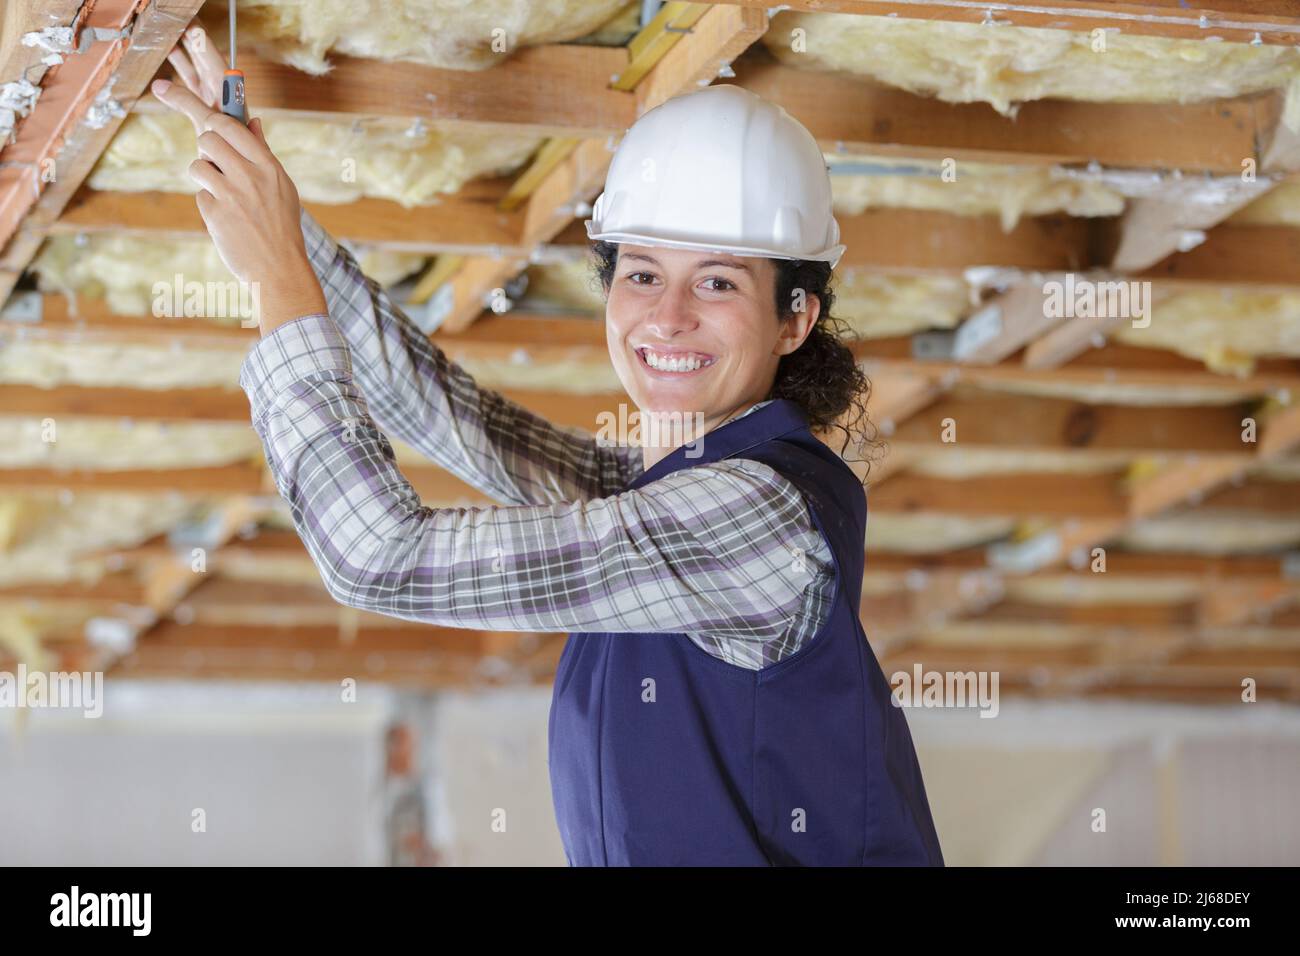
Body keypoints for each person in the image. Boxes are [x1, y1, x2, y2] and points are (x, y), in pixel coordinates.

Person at [154, 23, 944, 866]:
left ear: (796, 318)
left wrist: (281, 278)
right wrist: (273, 222)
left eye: (716, 282)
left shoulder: (752, 522)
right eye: (641, 273)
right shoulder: (677, 494)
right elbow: (457, 419)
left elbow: (375, 555)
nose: (667, 316)